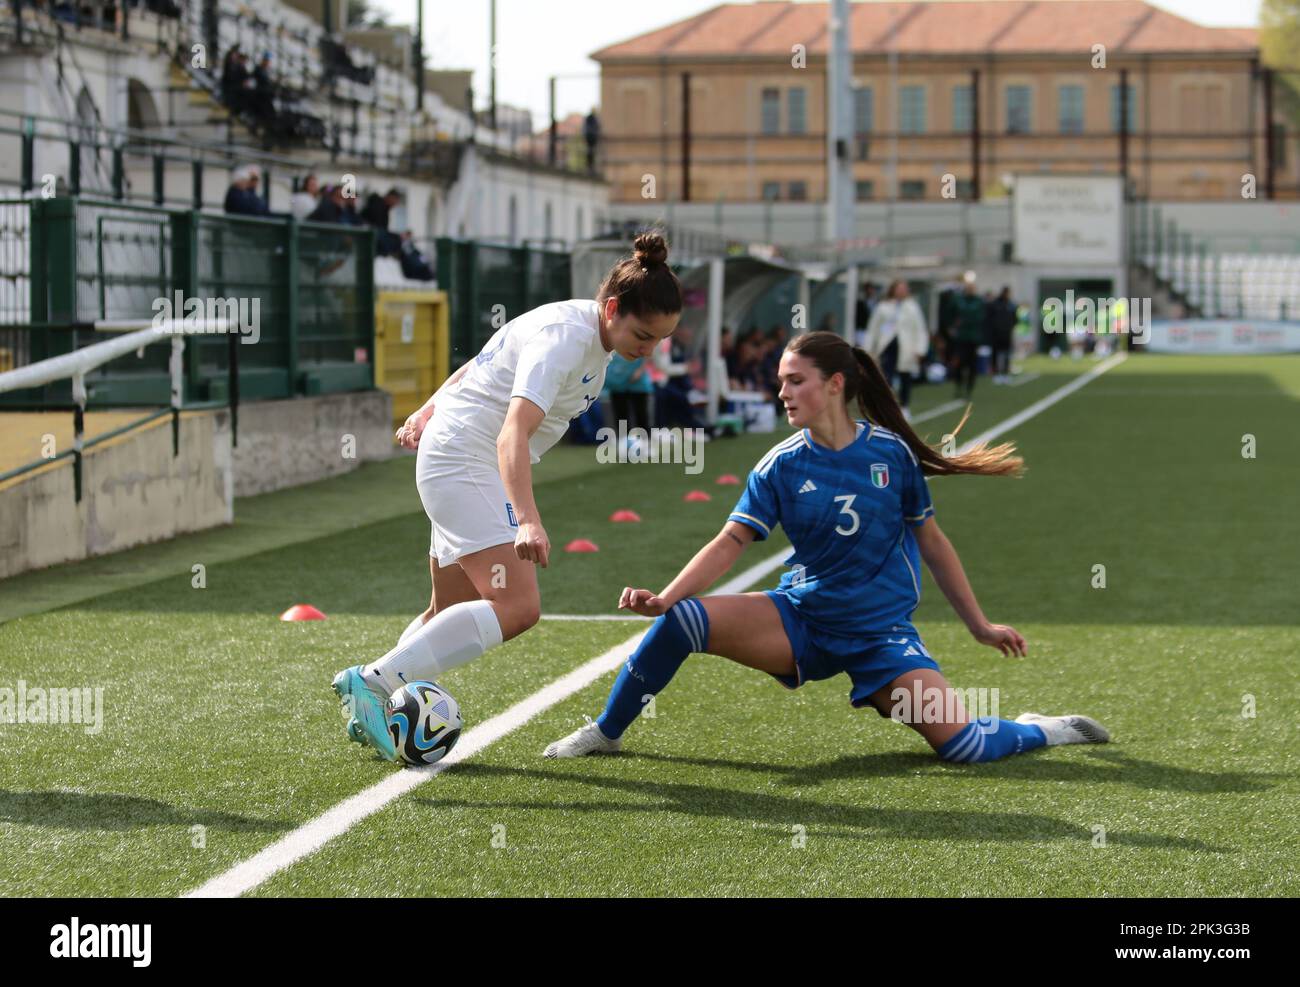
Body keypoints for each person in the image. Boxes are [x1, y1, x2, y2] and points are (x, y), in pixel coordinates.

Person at [544, 330, 1110, 761]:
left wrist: (980, 626)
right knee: (683, 621)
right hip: (803, 620)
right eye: (782, 380)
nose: (782, 390)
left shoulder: (891, 455)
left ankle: (1044, 728)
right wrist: (665, 598)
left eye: (796, 381)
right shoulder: (781, 465)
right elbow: (729, 541)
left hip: (879, 636)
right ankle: (607, 732)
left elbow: (933, 543)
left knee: (963, 746)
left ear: (835, 384)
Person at [332, 232, 684, 760]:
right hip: (467, 461)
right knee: (517, 606)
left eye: (660, 339)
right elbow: (511, 433)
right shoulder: (565, 338)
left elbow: (480, 366)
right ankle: (374, 682)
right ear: (611, 307)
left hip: (461, 458)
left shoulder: (589, 336)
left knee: (446, 608)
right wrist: (527, 519)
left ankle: (377, 700)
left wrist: (428, 408)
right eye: (643, 333)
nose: (649, 347)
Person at [863, 279, 929, 415]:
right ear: (893, 289)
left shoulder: (912, 307)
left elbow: (920, 329)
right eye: (899, 288)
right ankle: (889, 407)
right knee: (886, 377)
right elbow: (873, 329)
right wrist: (868, 349)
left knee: (905, 377)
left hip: (906, 347)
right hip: (887, 346)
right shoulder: (883, 307)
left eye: (904, 288)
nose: (901, 291)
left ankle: (904, 407)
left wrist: (920, 349)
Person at [951, 274, 985, 398]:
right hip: (961, 338)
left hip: (973, 338)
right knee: (960, 363)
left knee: (972, 365)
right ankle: (959, 386)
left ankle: (969, 389)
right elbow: (951, 314)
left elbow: (977, 316)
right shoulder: (958, 299)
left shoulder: (978, 301)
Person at [986, 286, 1017, 383]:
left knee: (1007, 354)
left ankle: (1005, 373)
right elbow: (989, 318)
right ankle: (996, 373)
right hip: (996, 334)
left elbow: (1014, 319)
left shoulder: (1011, 305)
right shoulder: (995, 304)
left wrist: (1010, 327)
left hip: (1006, 333)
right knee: (995, 354)